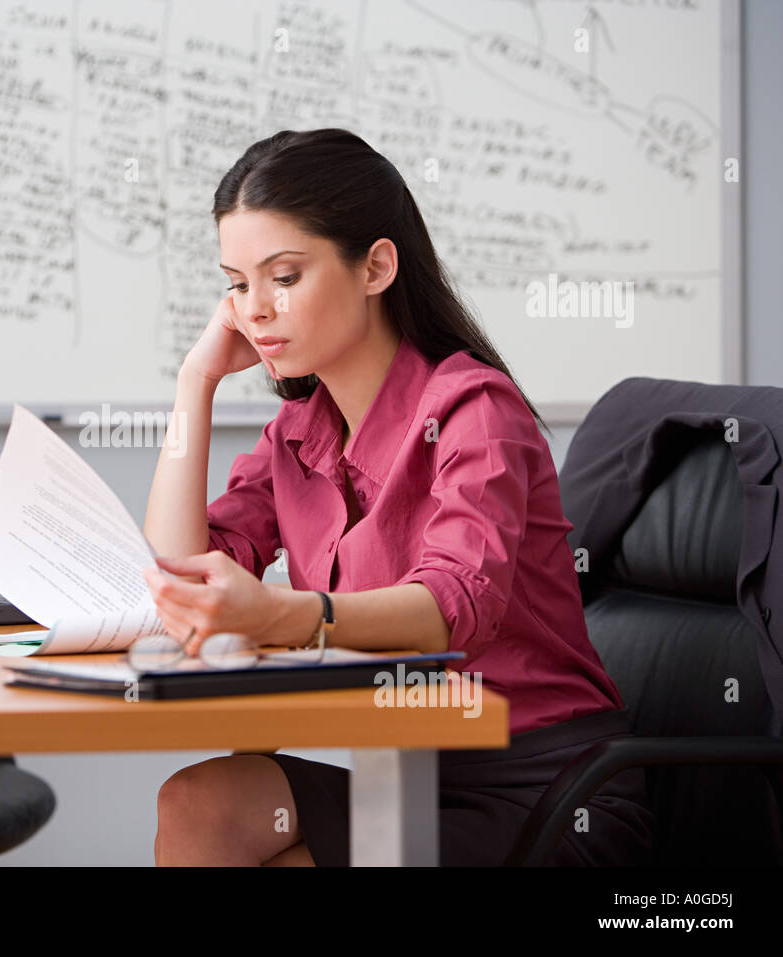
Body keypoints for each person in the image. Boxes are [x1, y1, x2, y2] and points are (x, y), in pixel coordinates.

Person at [141, 128, 653, 866]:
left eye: (283, 276)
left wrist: (285, 613)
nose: (254, 309)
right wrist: (196, 382)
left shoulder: (478, 411)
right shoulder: (300, 429)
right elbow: (180, 571)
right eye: (236, 282)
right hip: (412, 774)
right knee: (198, 804)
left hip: (548, 792)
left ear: (377, 266)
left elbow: (455, 605)